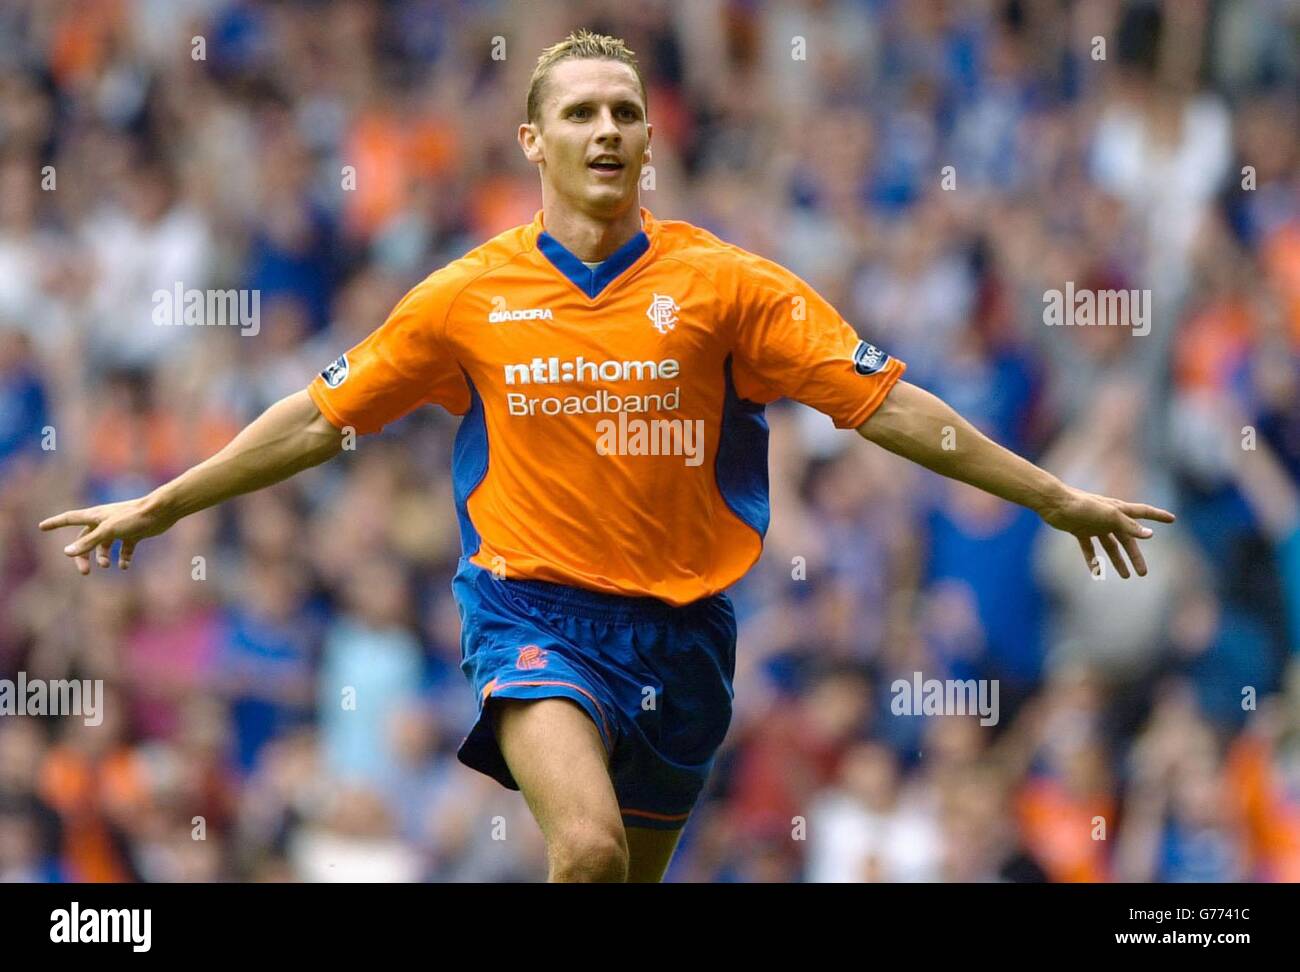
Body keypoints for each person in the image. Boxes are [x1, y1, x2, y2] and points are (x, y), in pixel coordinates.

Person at [39, 30, 1174, 883]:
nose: (606, 130)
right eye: (579, 112)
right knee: (581, 850)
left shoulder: (728, 287)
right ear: (533, 140)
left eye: (625, 111)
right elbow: (317, 415)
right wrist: (166, 501)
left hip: (686, 634)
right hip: (530, 614)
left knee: (618, 880)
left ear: (649, 139)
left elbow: (888, 408)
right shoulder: (468, 297)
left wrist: (1052, 495)